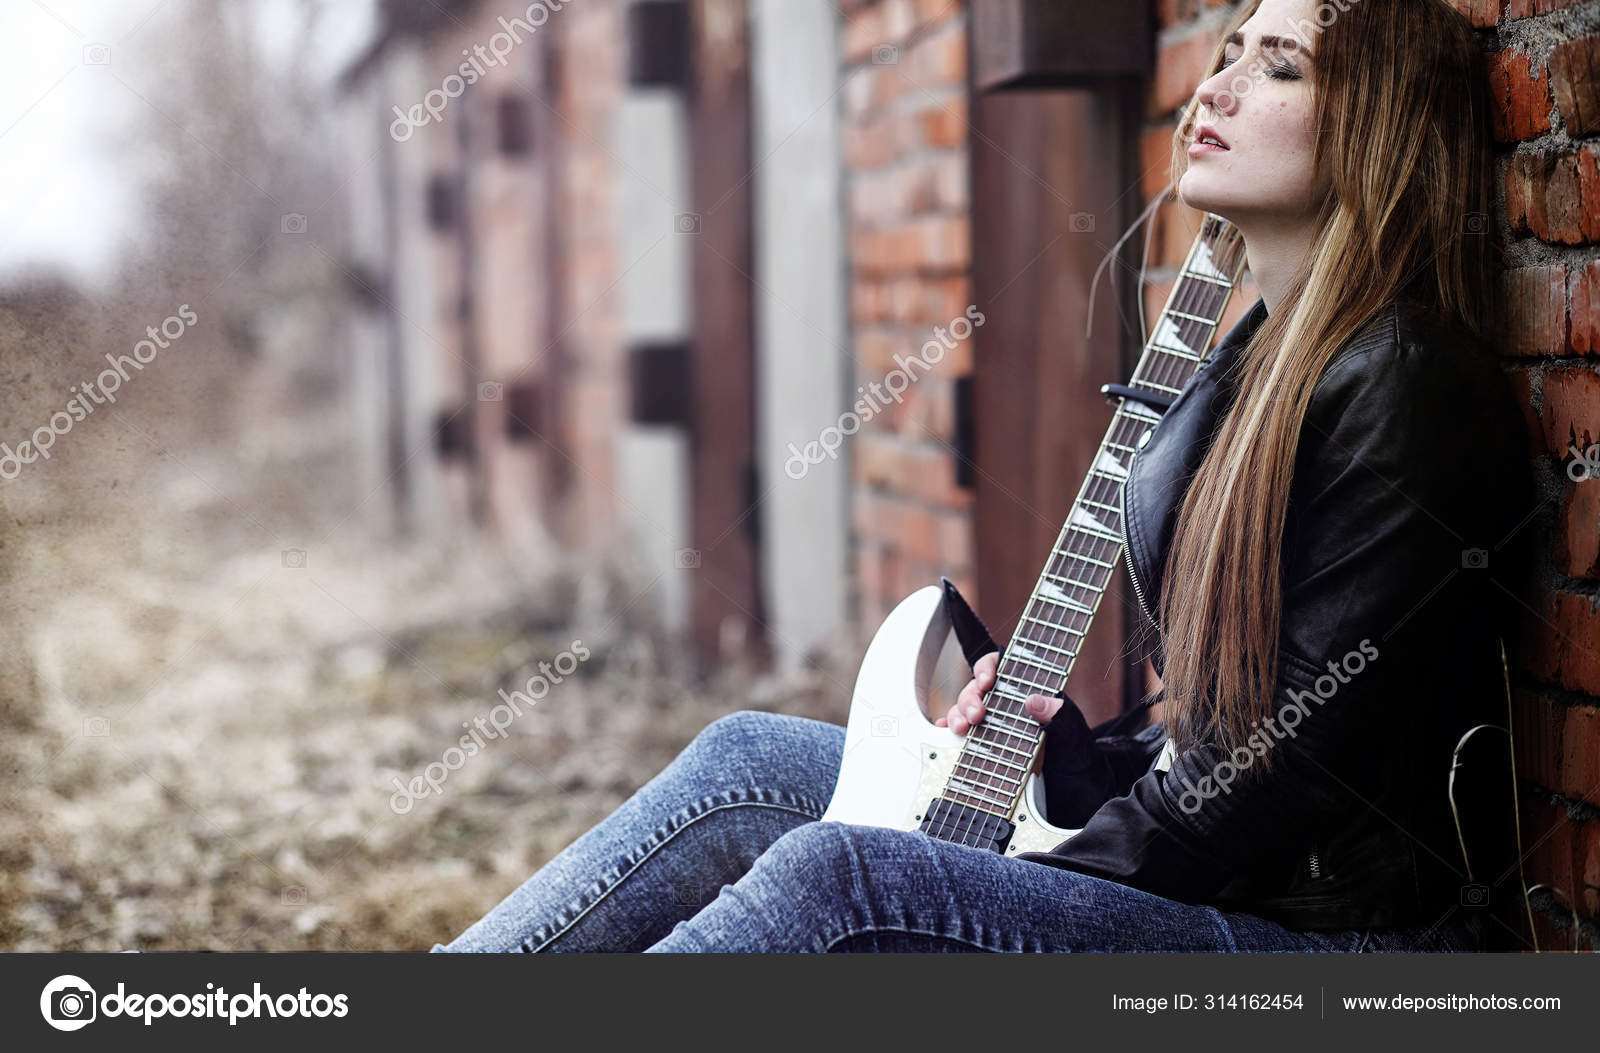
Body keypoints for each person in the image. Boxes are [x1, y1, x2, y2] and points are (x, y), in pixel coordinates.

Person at [433, 0, 1533, 952]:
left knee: (842, 878)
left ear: (1376, 128)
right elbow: (1210, 735)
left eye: (1278, 66)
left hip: (1337, 945)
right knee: (746, 763)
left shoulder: (1403, 383)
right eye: (1230, 49)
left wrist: (999, 875)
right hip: (1239, 879)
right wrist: (1070, 763)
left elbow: (1280, 774)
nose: (1222, 84)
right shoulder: (1256, 362)